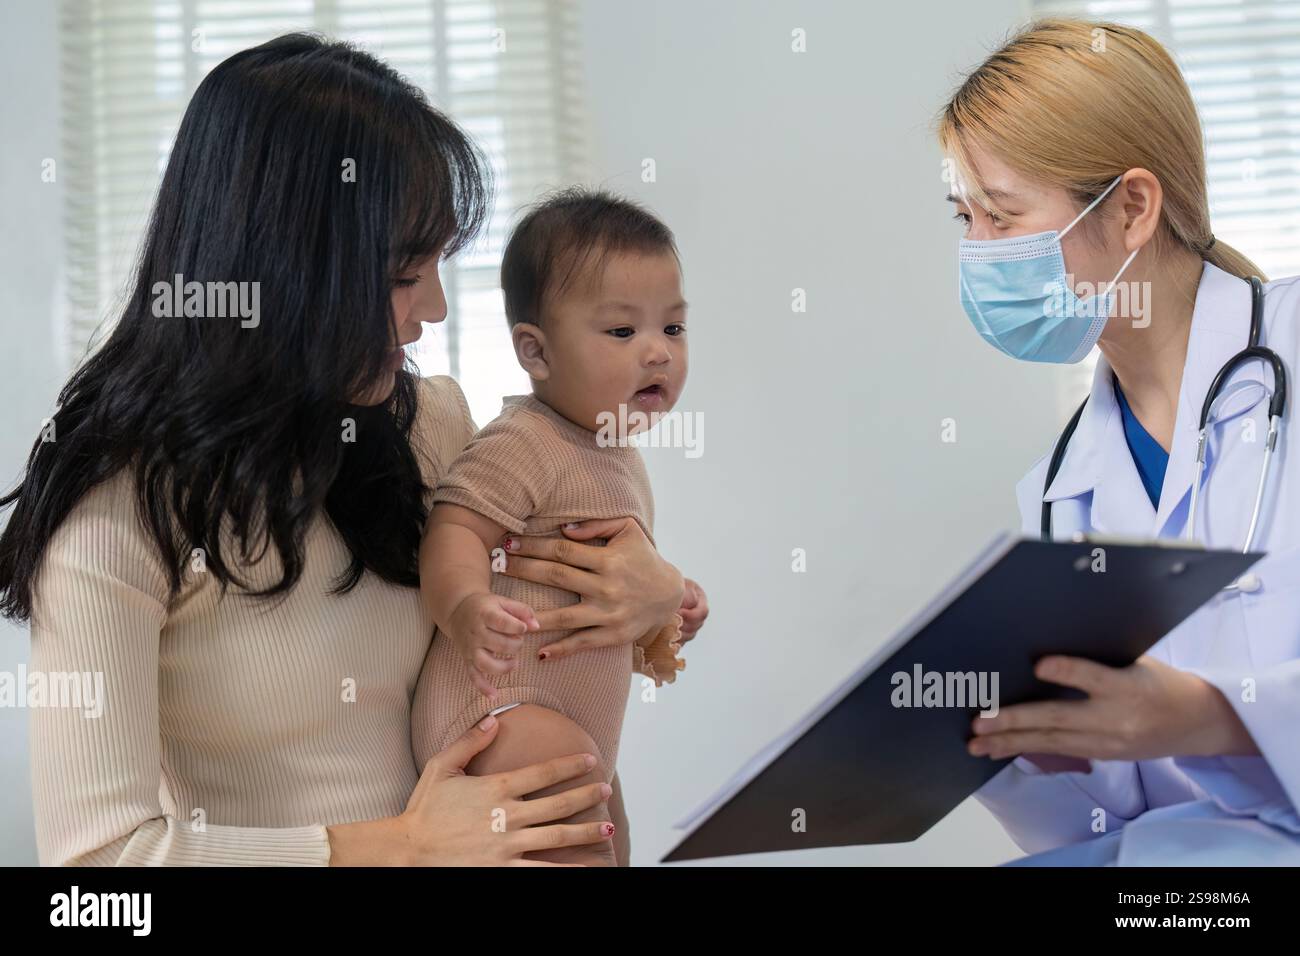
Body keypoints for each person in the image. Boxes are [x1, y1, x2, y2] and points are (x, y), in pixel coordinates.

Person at [0, 33, 706, 866]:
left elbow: (554, 572)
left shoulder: (432, 426)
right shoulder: (118, 509)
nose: (435, 310)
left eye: (440, 266)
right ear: (289, 268)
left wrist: (653, 588)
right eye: (405, 275)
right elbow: (95, 873)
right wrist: (398, 846)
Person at [938, 18, 1300, 865]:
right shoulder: (1064, 486)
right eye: (964, 216)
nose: (977, 254)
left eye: (1002, 216)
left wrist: (1213, 716)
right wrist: (1018, 752)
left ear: (1133, 207)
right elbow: (1108, 824)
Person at [414, 189, 690, 866]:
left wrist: (670, 606)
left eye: (674, 329)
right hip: (504, 713)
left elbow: (606, 581)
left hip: (571, 723)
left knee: (612, 844)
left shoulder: (613, 449)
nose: (657, 353)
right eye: (623, 332)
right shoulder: (525, 442)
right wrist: (467, 607)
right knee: (575, 821)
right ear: (535, 352)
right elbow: (454, 530)